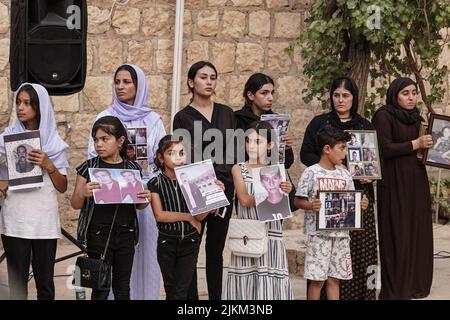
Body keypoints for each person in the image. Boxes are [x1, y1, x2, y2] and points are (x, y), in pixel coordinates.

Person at [88, 64, 165, 299]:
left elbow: (161, 156)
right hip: (111, 198)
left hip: (144, 195)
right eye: (117, 82)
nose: (120, 86)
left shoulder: (153, 120)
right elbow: (93, 156)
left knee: (146, 253)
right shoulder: (104, 117)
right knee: (112, 256)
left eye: (127, 82)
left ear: (138, 85)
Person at [300, 76, 377, 300]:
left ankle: (361, 295)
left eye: (345, 95)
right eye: (336, 95)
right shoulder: (319, 123)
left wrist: (366, 175)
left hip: (356, 193)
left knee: (356, 249)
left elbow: (374, 158)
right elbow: (306, 153)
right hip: (327, 195)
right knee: (321, 262)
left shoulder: (364, 125)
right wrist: (332, 166)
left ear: (354, 98)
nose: (340, 100)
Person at [172, 61, 235, 300]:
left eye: (213, 77)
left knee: (216, 250)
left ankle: (216, 300)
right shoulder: (182, 117)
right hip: (196, 188)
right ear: (191, 82)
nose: (209, 82)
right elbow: (185, 156)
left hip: (225, 189)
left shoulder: (227, 113)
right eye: (203, 77)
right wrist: (207, 181)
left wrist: (226, 185)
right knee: (192, 247)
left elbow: (233, 152)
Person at [0, 83, 69, 299]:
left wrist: (49, 164)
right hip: (15, 220)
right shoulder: (6, 139)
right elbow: (1, 180)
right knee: (17, 286)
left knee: (45, 284)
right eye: (19, 102)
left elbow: (62, 186)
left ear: (39, 108)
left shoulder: (53, 142)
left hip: (43, 221)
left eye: (27, 103)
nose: (21, 107)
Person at [72, 116, 151, 300]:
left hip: (126, 233)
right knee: (100, 288)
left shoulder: (132, 168)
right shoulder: (88, 167)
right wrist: (83, 192)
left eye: (104, 139)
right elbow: (75, 204)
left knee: (123, 288)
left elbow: (138, 205)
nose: (99, 144)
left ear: (120, 141)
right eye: (96, 140)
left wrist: (145, 199)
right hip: (98, 235)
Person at [372, 77, 434, 299]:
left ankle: (416, 286)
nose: (411, 97)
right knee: (397, 232)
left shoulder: (417, 118)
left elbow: (426, 151)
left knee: (417, 231)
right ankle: (396, 289)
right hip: (393, 183)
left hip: (416, 181)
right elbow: (385, 148)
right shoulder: (384, 116)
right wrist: (415, 144)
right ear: (395, 94)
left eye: (414, 93)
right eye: (405, 93)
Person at [295, 125, 368, 300]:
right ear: (327, 149)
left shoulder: (345, 174)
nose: (345, 153)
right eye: (342, 148)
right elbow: (297, 200)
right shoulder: (311, 173)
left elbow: (351, 201)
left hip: (341, 235)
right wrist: (311, 205)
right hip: (319, 236)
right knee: (317, 281)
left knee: (334, 279)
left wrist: (360, 204)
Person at [224, 120, 294, 300]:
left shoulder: (277, 170)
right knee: (246, 281)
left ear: (270, 145)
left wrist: (286, 191)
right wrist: (273, 193)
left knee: (271, 281)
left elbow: (285, 205)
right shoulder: (239, 168)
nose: (251, 146)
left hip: (272, 234)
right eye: (248, 141)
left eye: (258, 142)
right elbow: (244, 200)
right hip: (249, 233)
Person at [148, 135, 222, 299]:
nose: (177, 157)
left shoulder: (194, 180)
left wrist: (213, 195)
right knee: (171, 290)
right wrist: (188, 217)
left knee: (181, 290)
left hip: (190, 242)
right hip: (167, 243)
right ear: (161, 158)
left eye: (181, 153)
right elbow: (160, 215)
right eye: (171, 153)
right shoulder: (155, 183)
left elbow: (200, 217)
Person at [234, 73, 294, 169]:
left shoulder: (276, 121)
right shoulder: (237, 119)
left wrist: (286, 148)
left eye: (271, 93)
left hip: (272, 176)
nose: (271, 98)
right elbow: (233, 157)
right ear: (250, 95)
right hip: (246, 176)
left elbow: (287, 164)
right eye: (264, 93)